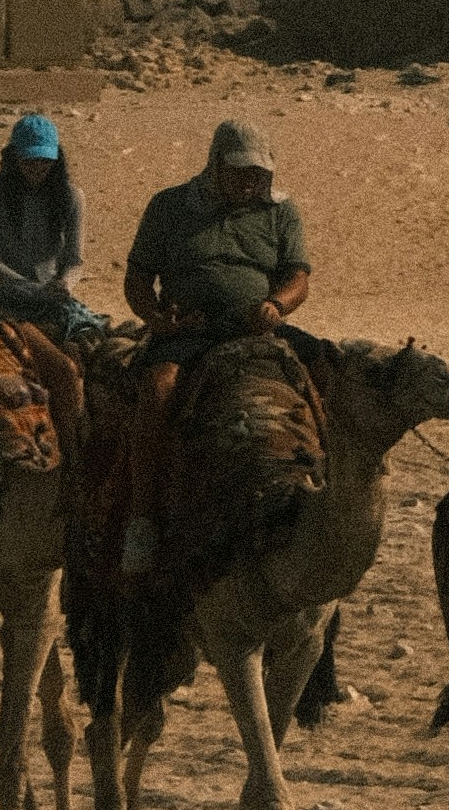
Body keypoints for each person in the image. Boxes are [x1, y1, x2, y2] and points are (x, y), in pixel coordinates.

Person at [113, 120, 312, 578]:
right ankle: (142, 519)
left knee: (328, 370)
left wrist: (276, 305)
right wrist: (155, 318)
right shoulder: (170, 206)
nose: (250, 181)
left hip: (257, 329)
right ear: (215, 165)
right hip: (189, 332)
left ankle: (324, 495)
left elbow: (298, 277)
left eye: (258, 173)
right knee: (157, 390)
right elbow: (138, 277)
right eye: (240, 171)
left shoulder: (280, 211)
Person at [0, 108, 110, 345]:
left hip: (53, 299)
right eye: (29, 160)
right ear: (13, 158)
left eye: (45, 161)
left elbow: (74, 260)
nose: (38, 167)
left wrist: (65, 284)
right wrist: (32, 290)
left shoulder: (71, 197)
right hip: (5, 298)